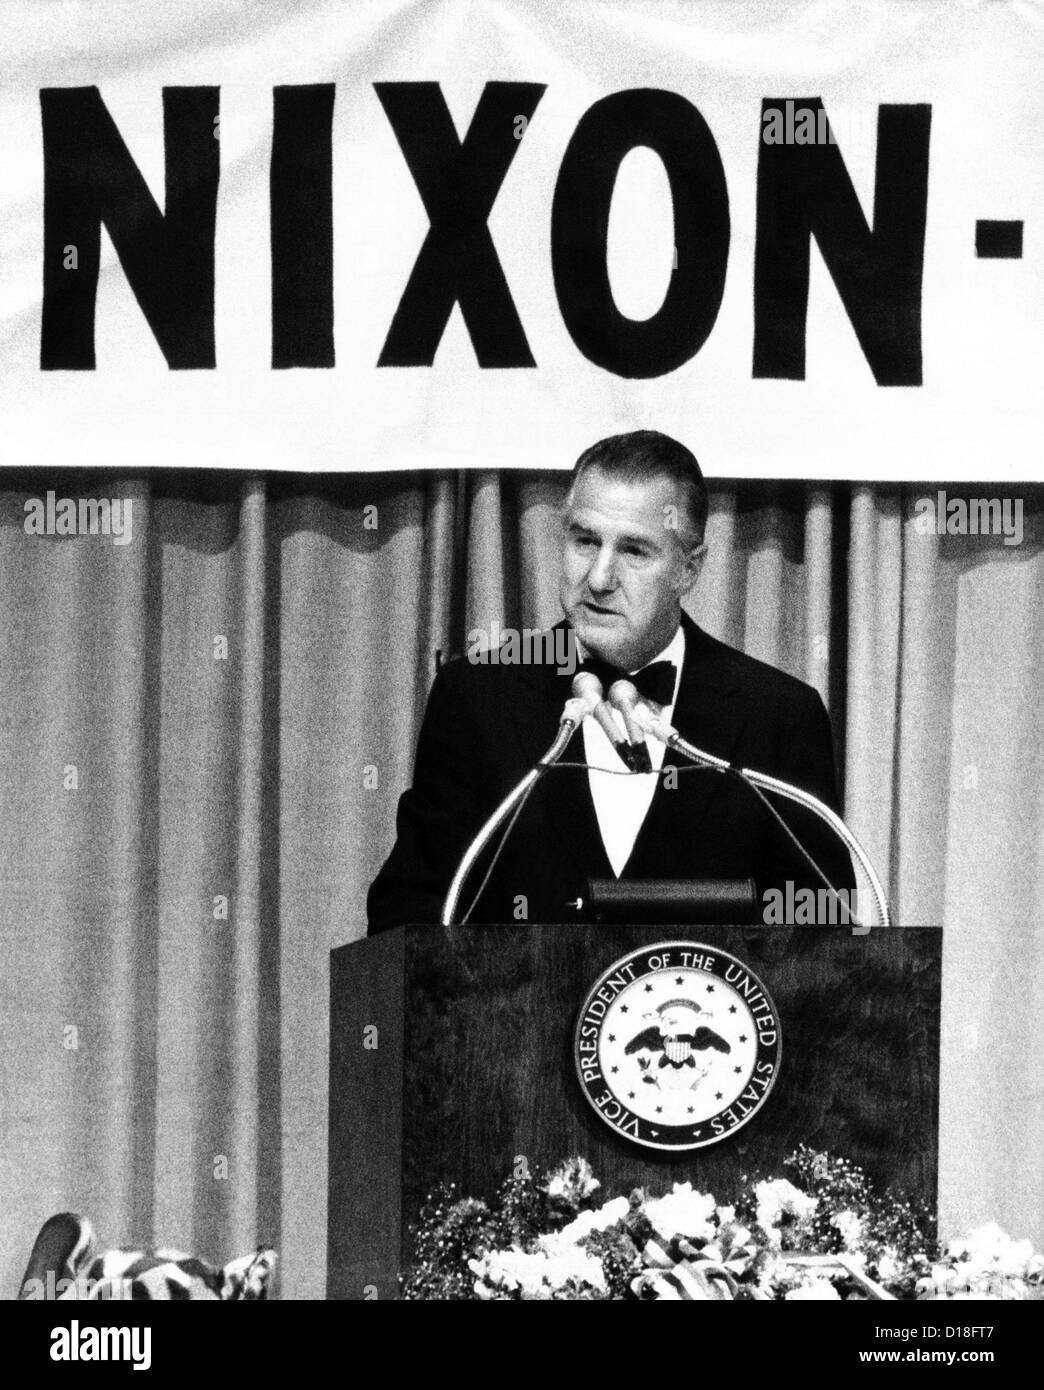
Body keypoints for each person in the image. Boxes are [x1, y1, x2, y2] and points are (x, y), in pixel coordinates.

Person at [367, 431, 855, 930]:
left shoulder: (778, 715)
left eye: (634, 551)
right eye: (585, 541)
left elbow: (821, 925)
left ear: (689, 569)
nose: (599, 577)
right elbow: (409, 908)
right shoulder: (475, 695)